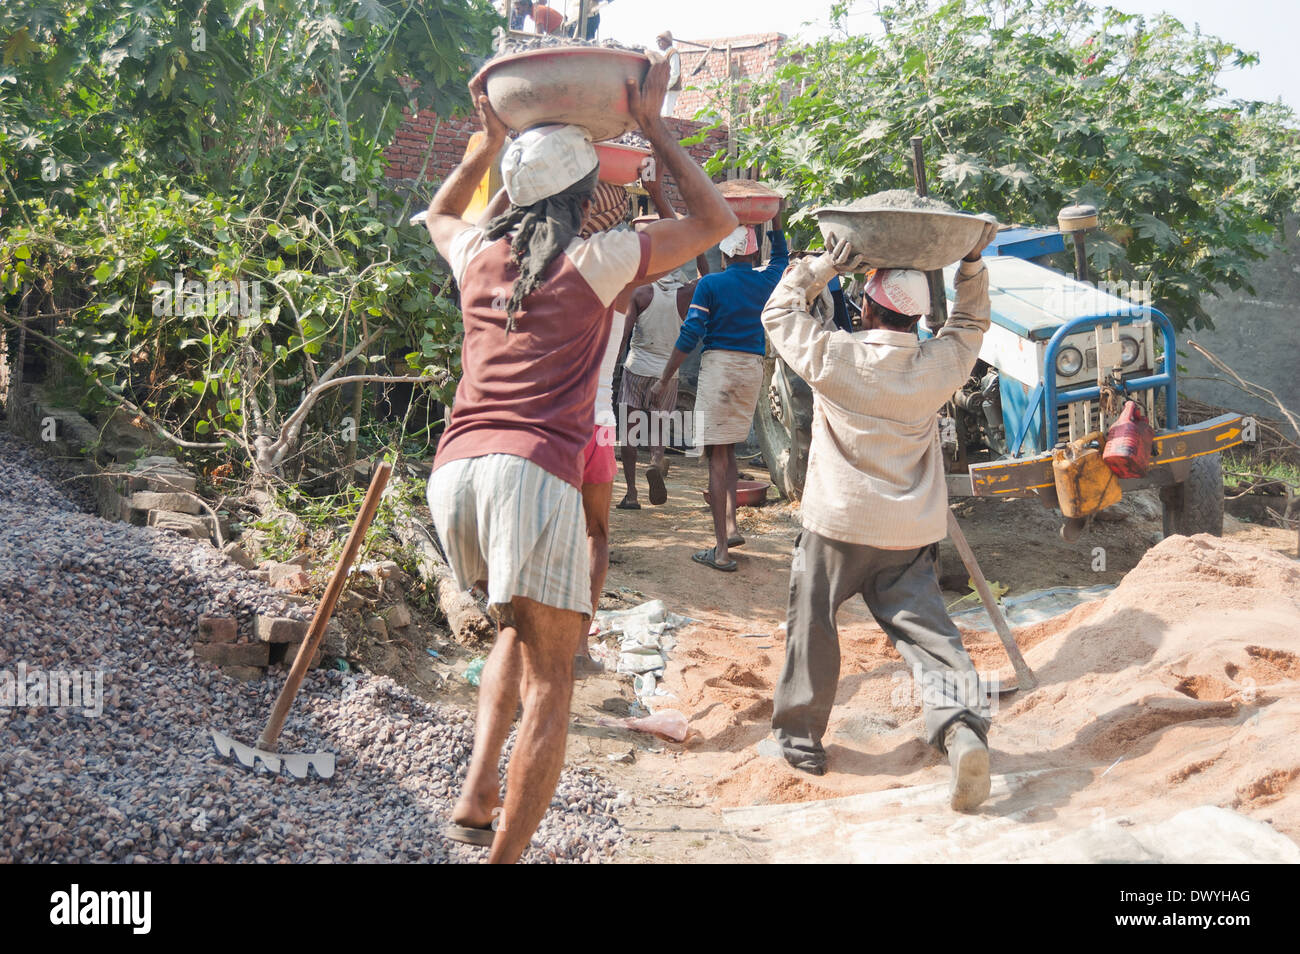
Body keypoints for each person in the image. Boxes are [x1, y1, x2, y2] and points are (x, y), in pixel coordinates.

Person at [421, 63, 735, 863]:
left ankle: (475, 796)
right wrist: (656, 129)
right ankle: (505, 858)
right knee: (555, 677)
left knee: (514, 634)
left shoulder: (478, 257)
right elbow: (715, 218)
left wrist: (485, 143)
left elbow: (439, 210)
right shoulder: (597, 262)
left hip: (455, 472)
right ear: (583, 192)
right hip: (530, 472)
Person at [759, 221, 1000, 812]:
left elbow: (778, 313)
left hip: (837, 524)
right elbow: (970, 324)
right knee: (930, 633)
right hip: (907, 530)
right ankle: (962, 727)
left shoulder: (835, 356)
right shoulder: (938, 367)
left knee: (813, 621)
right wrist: (970, 263)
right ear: (917, 319)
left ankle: (800, 740)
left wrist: (820, 269)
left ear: (866, 309)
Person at [650, 214, 788, 572]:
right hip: (751, 370)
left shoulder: (710, 284)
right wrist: (776, 218)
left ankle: (722, 551)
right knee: (727, 449)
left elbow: (691, 332)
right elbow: (782, 260)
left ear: (724, 254)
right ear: (752, 256)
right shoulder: (766, 281)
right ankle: (731, 525)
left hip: (720, 369)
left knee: (716, 456)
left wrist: (665, 377)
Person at [616, 166, 709, 510]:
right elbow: (706, 275)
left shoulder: (640, 291)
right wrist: (697, 247)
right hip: (667, 372)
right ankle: (656, 462)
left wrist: (612, 366)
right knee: (656, 428)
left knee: (629, 432)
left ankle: (631, 493)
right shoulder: (689, 291)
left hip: (637, 366)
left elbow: (623, 335)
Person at [576, 180, 634, 674]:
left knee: (547, 534)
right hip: (601, 426)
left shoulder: (546, 279)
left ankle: (533, 636)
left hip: (553, 429)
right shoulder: (620, 291)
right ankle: (579, 646)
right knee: (596, 533)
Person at [656, 31, 682, 117]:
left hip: (671, 88)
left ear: (667, 42)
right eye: (657, 41)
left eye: (660, 41)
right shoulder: (666, 54)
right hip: (666, 88)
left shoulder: (673, 53)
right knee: (662, 113)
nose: (658, 43)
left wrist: (666, 86)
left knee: (666, 114)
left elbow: (675, 73)